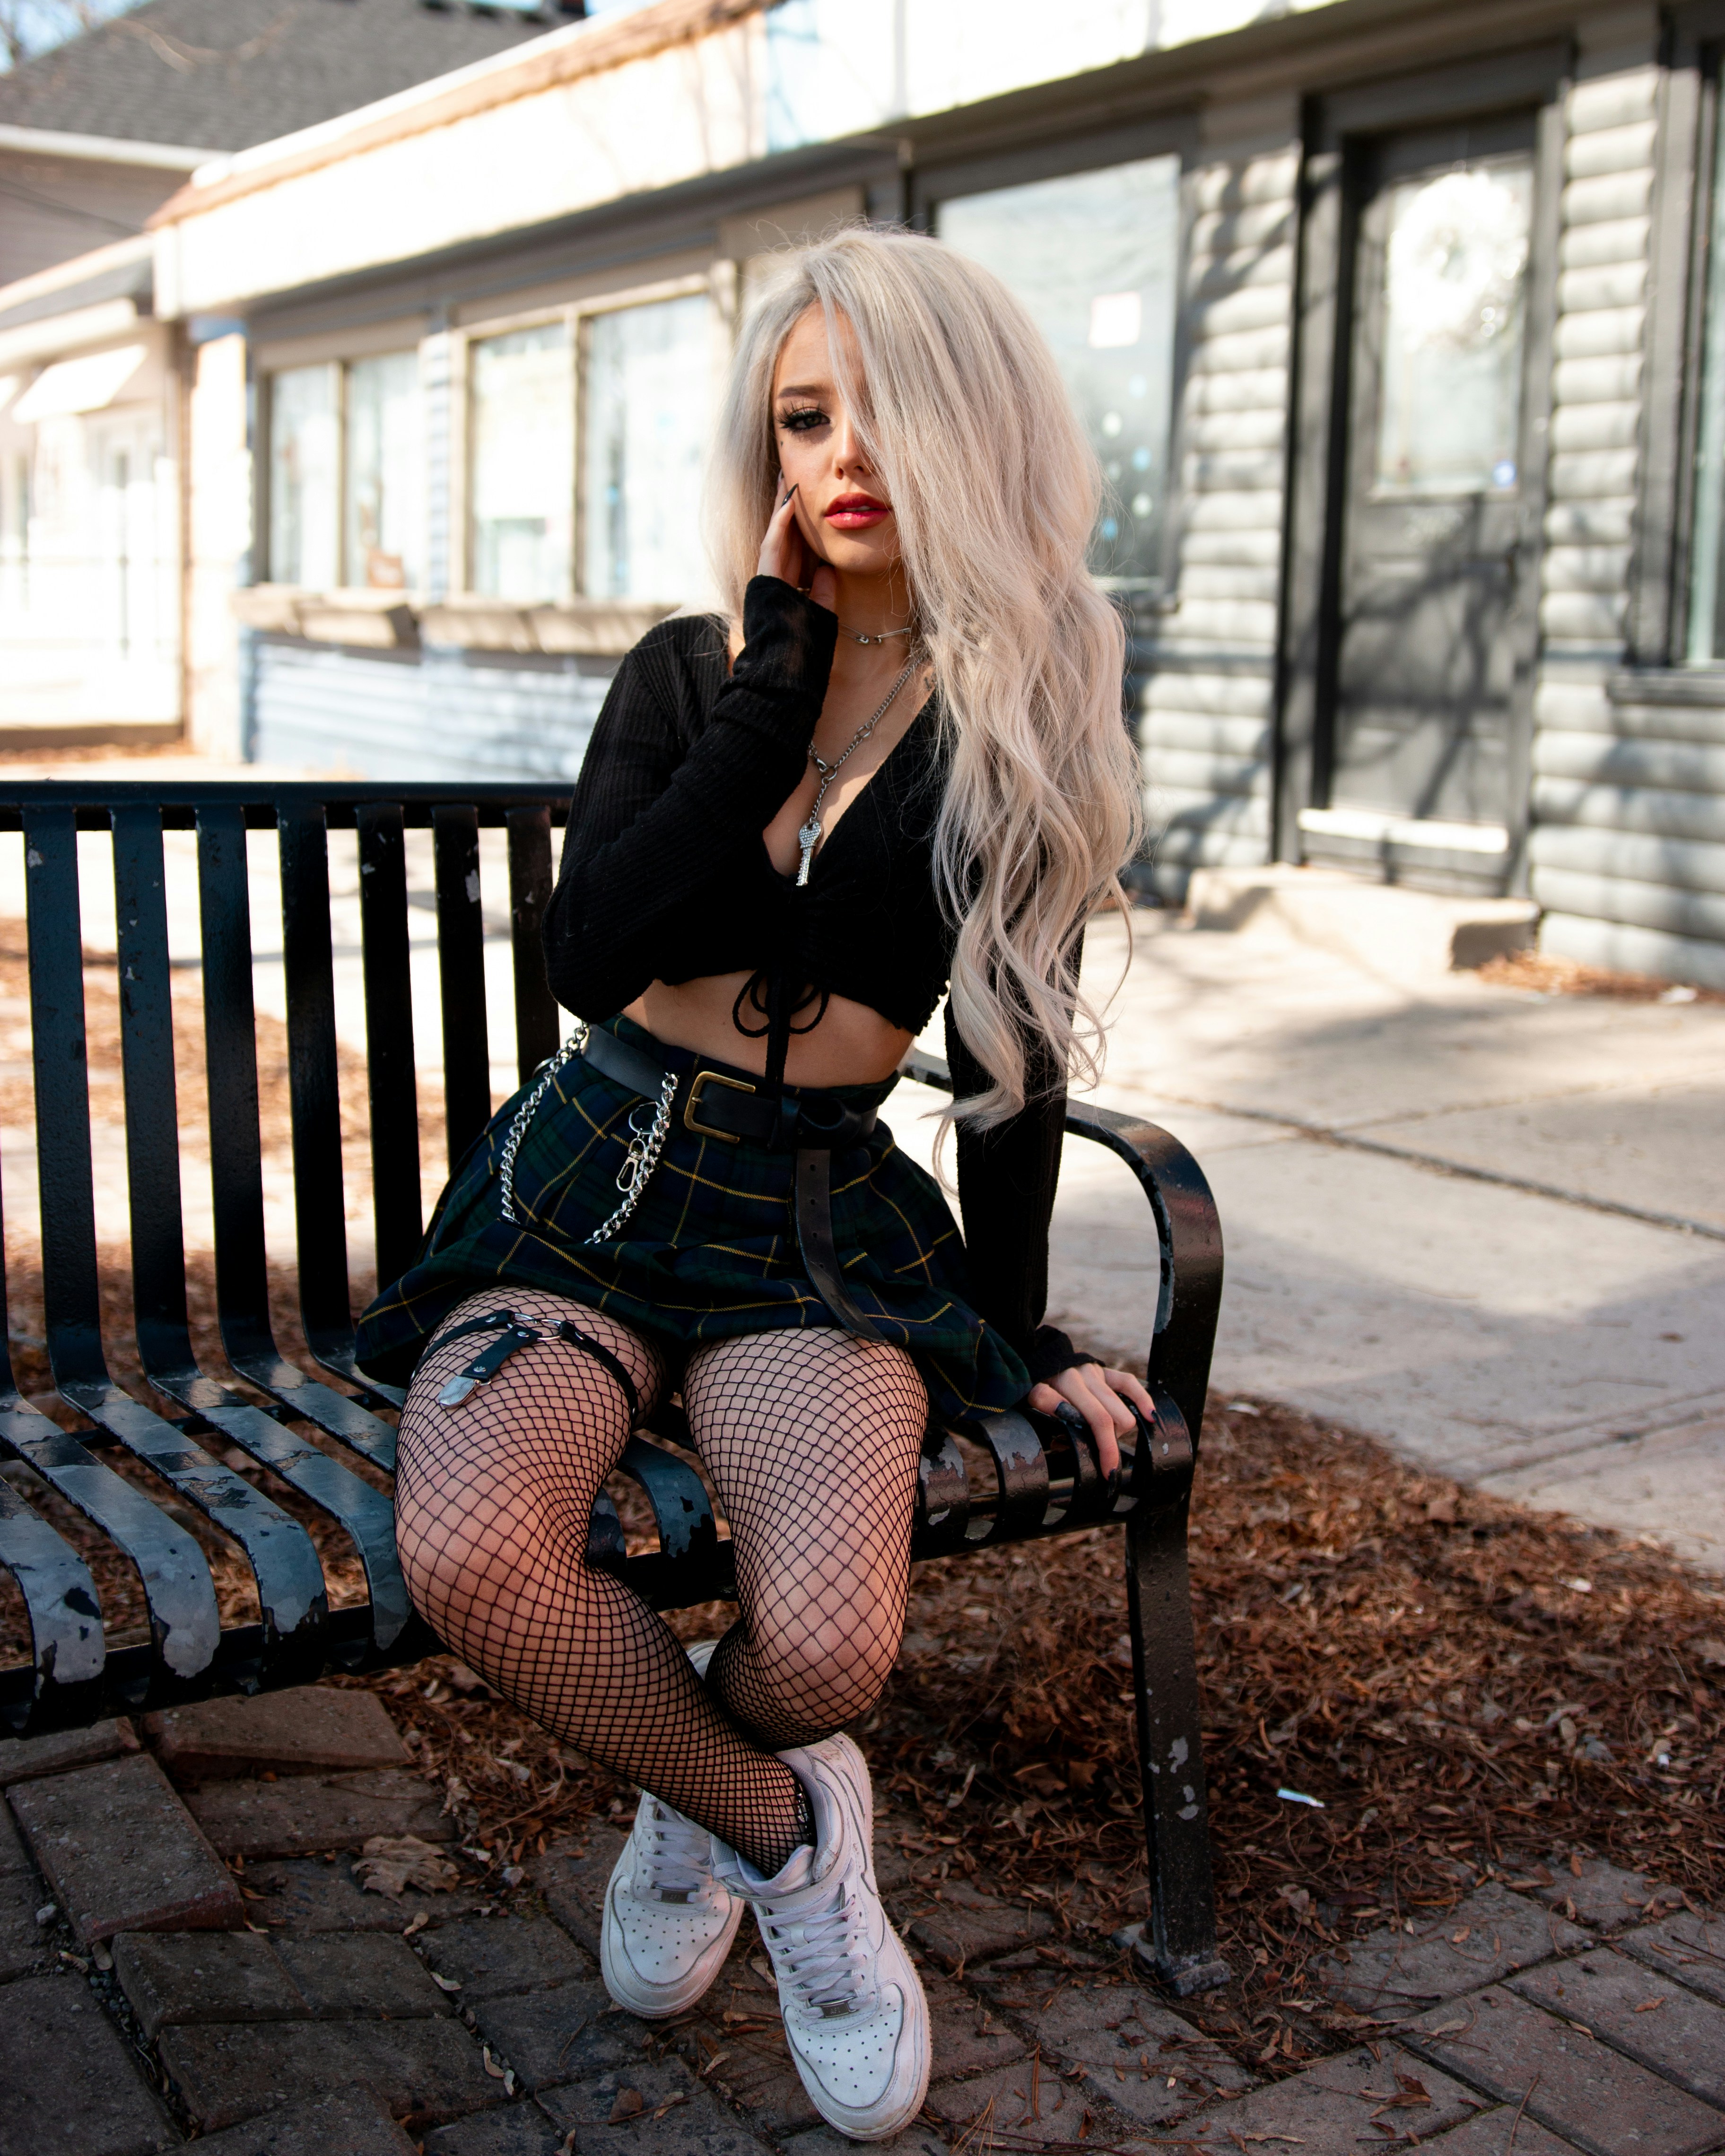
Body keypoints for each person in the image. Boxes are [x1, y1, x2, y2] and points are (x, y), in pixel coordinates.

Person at [356, 226, 1152, 2143]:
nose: (843, 454)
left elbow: (1013, 1065)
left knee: (828, 1640)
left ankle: (688, 1789)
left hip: (809, 1226)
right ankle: (786, 1836)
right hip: (590, 1193)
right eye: (805, 417)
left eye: (887, 410)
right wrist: (771, 692)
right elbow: (589, 952)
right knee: (473, 1553)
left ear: (977, 430)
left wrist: (1026, 1333)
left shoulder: (1018, 711)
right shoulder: (695, 668)